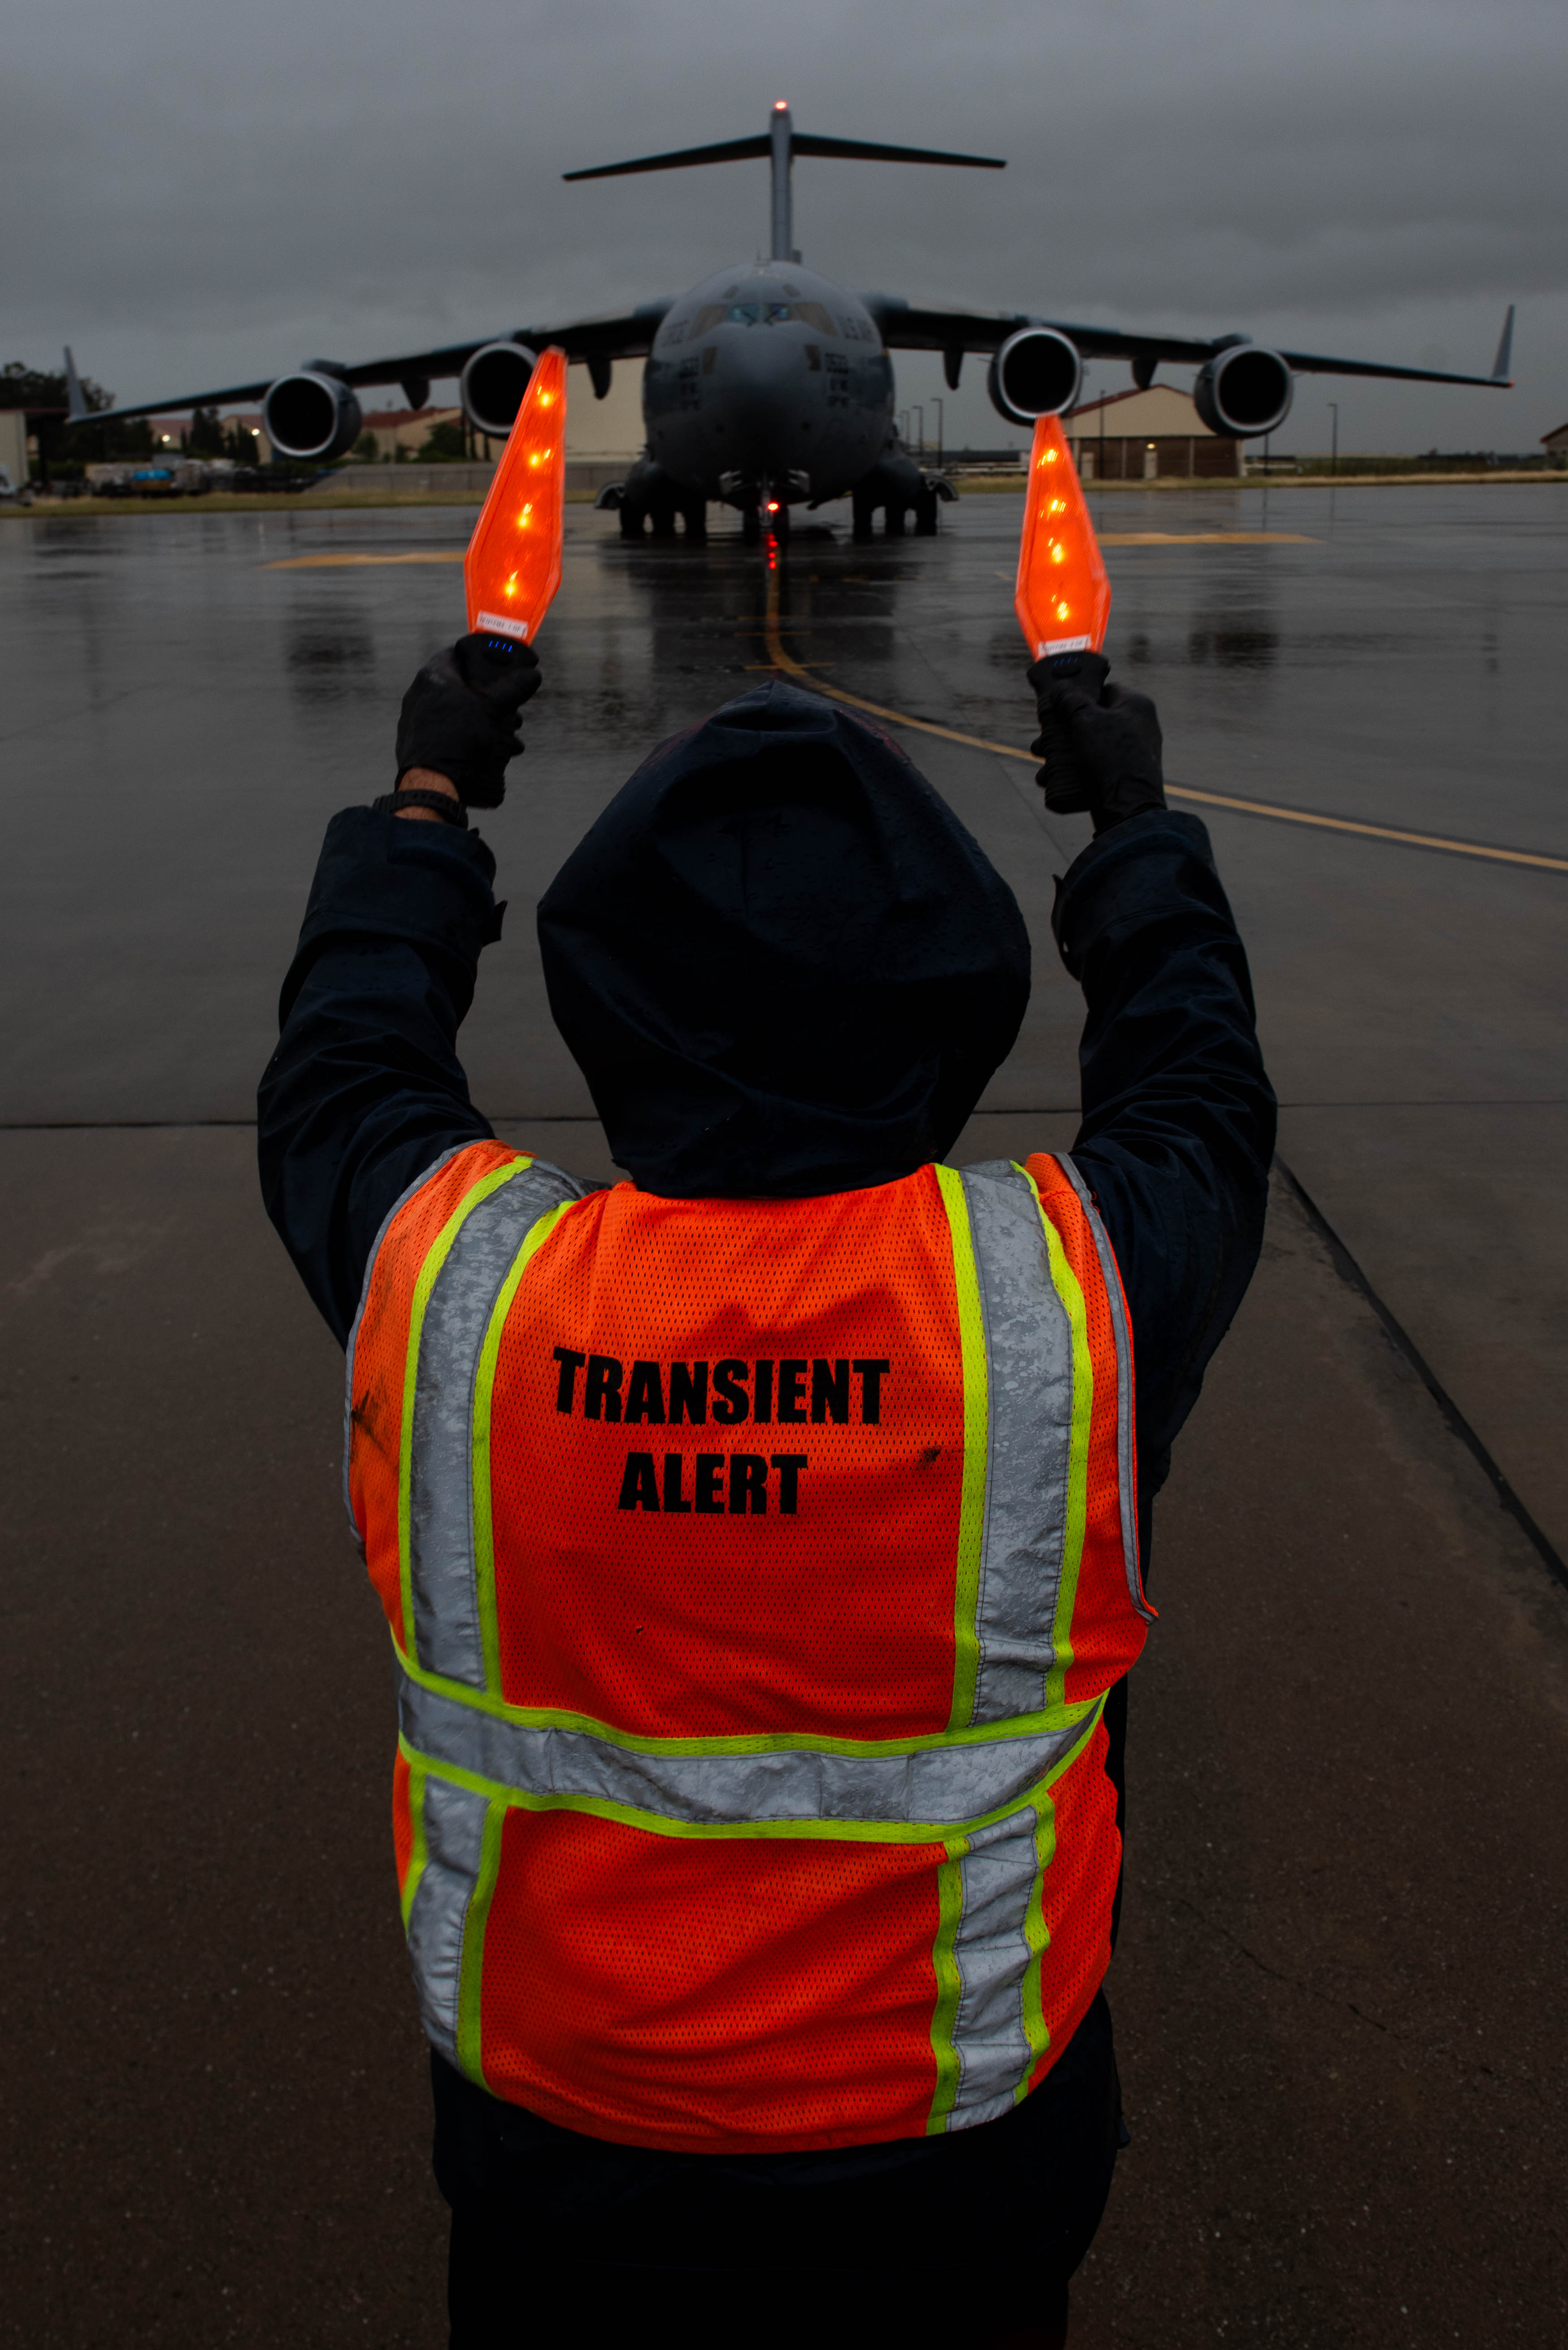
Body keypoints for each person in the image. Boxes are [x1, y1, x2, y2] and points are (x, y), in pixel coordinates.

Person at [259, 630, 1274, 2348]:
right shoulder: (1063, 1295)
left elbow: (344, 1065)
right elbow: (1199, 1081)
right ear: (956, 997)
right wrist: (1130, 827)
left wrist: (426, 799)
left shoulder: (457, 1290)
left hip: (561, 2155)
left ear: (602, 999)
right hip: (955, 2161)